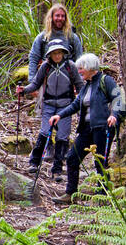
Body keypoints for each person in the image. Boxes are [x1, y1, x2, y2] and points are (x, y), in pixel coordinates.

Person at [54, 53, 126, 204]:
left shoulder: (106, 81)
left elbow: (118, 99)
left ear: (90, 68)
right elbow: (75, 105)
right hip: (86, 130)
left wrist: (114, 115)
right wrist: (59, 115)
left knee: (100, 162)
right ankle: (70, 194)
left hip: (103, 128)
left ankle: (102, 196)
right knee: (72, 158)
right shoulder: (86, 87)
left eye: (81, 68)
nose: (79, 71)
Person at [16, 38, 80, 180]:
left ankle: (57, 169)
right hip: (49, 104)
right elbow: (35, 84)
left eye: (60, 53)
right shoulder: (45, 67)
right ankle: (34, 162)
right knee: (45, 132)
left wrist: (84, 101)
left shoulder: (71, 66)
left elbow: (80, 85)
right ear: (49, 54)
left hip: (66, 106)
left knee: (62, 137)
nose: (57, 55)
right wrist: (24, 90)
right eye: (54, 53)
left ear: (64, 53)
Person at [28, 3, 83, 84]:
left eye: (62, 16)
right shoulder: (42, 37)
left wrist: (79, 82)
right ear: (51, 17)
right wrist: (32, 81)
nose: (60, 18)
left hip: (68, 80)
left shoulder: (72, 38)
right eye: (57, 16)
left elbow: (80, 60)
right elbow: (33, 58)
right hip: (46, 79)